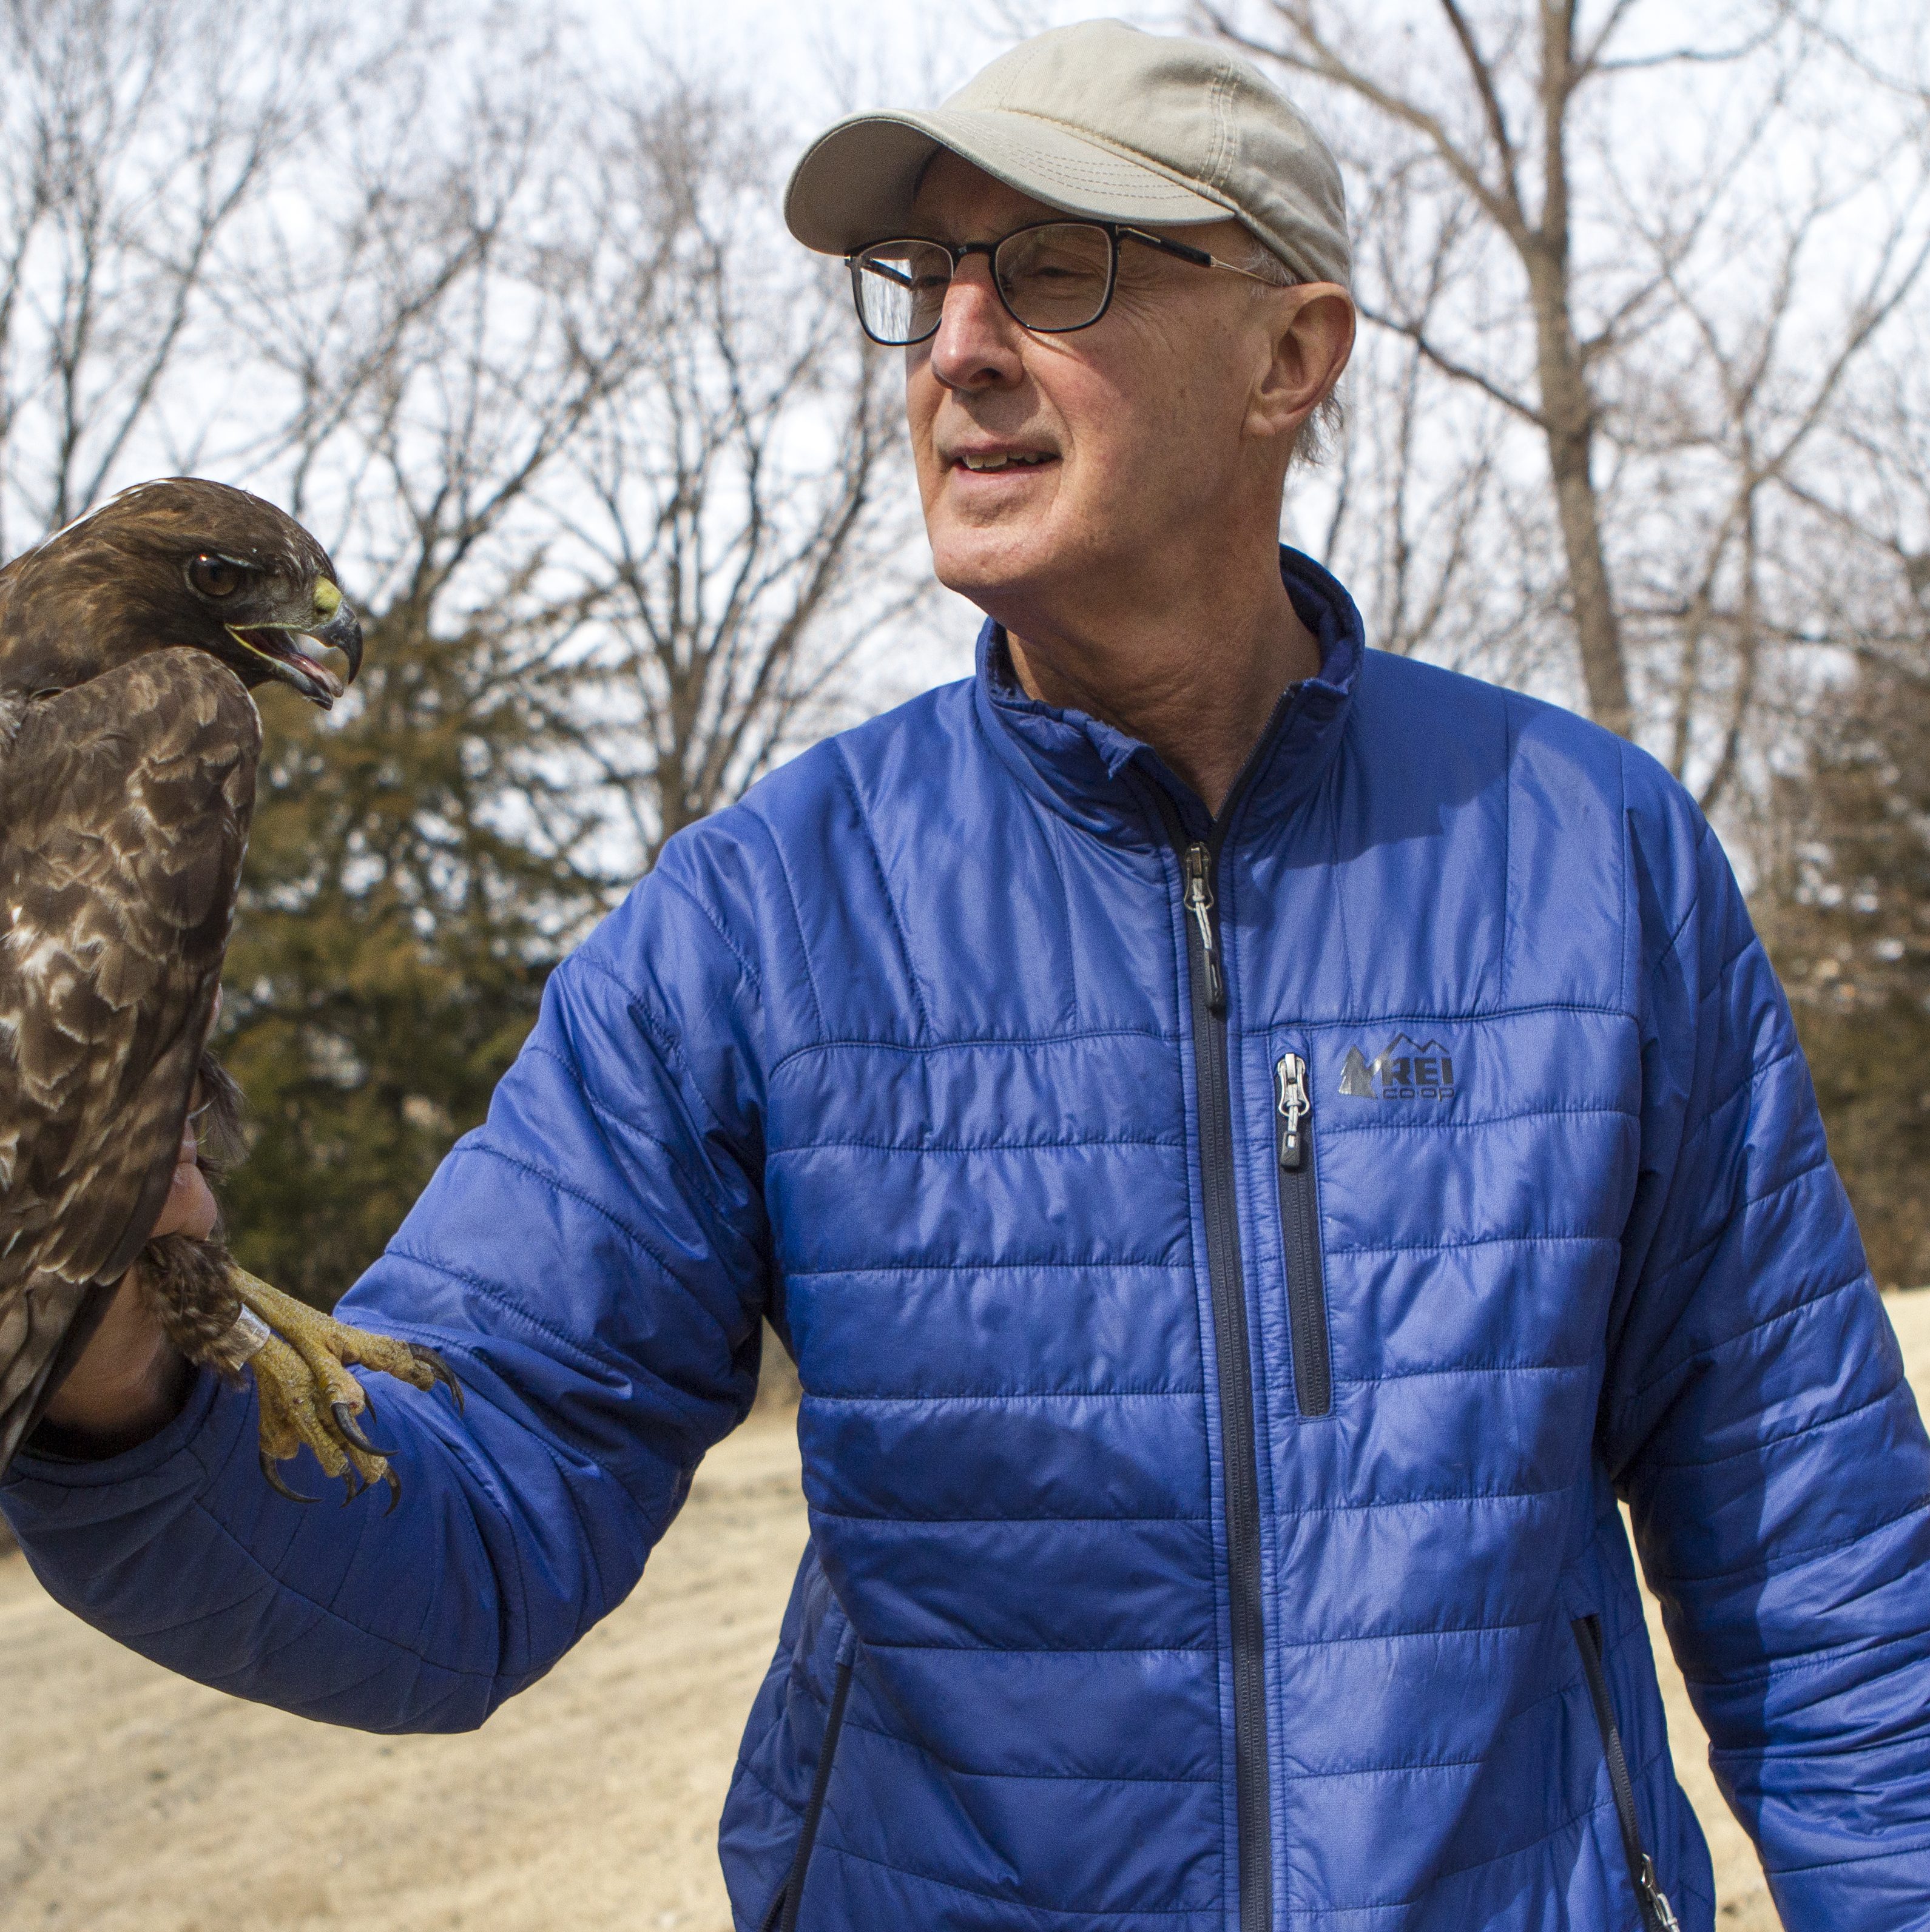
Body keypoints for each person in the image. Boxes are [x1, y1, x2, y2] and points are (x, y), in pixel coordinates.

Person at [6, 21, 1928, 1930]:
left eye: (1057, 268)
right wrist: (120, 1382)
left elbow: (1835, 1583)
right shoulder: (767, 914)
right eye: (927, 279)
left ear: (1294, 355)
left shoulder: (1590, 859)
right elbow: (471, 1517)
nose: (958, 346)